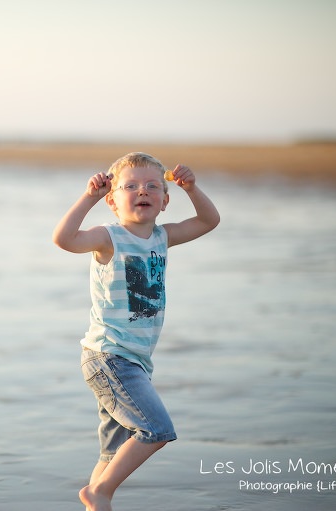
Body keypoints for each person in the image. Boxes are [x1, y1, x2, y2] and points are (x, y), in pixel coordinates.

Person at [52, 152, 220, 511]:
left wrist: (192, 187)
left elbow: (209, 220)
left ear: (164, 200)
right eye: (130, 186)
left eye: (152, 186)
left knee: (113, 452)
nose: (142, 191)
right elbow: (64, 239)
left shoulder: (163, 237)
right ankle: (100, 493)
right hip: (109, 357)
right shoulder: (107, 238)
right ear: (112, 200)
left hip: (135, 362)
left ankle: (95, 500)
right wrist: (88, 197)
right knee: (157, 429)